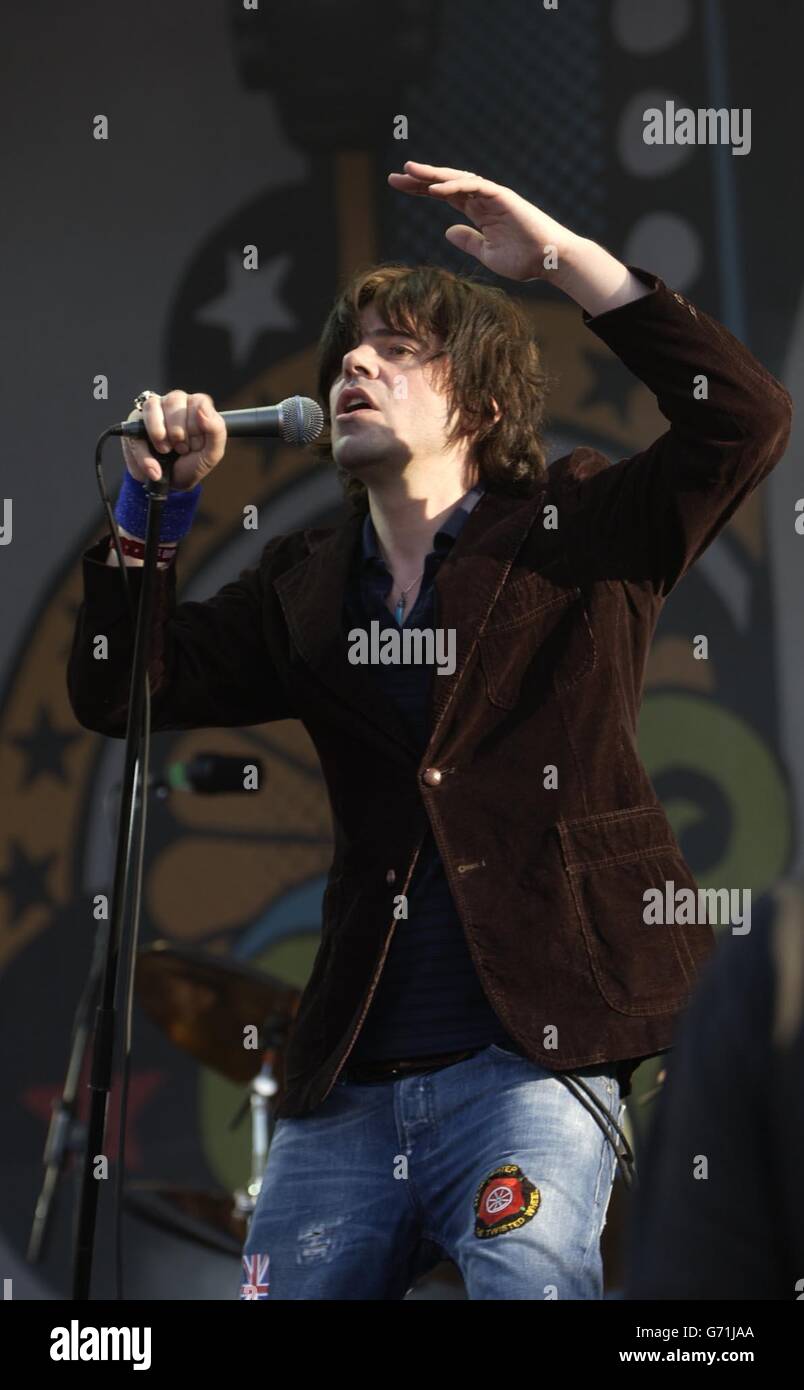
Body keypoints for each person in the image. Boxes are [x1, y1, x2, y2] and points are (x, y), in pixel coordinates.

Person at [67, 161, 792, 1300]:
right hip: (349, 1085)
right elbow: (118, 688)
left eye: (397, 351)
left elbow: (745, 418)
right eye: (349, 352)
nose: (356, 364)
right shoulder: (301, 587)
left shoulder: (577, 531)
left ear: (484, 405)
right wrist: (150, 508)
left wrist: (556, 251)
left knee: (528, 1281)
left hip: (534, 1065)